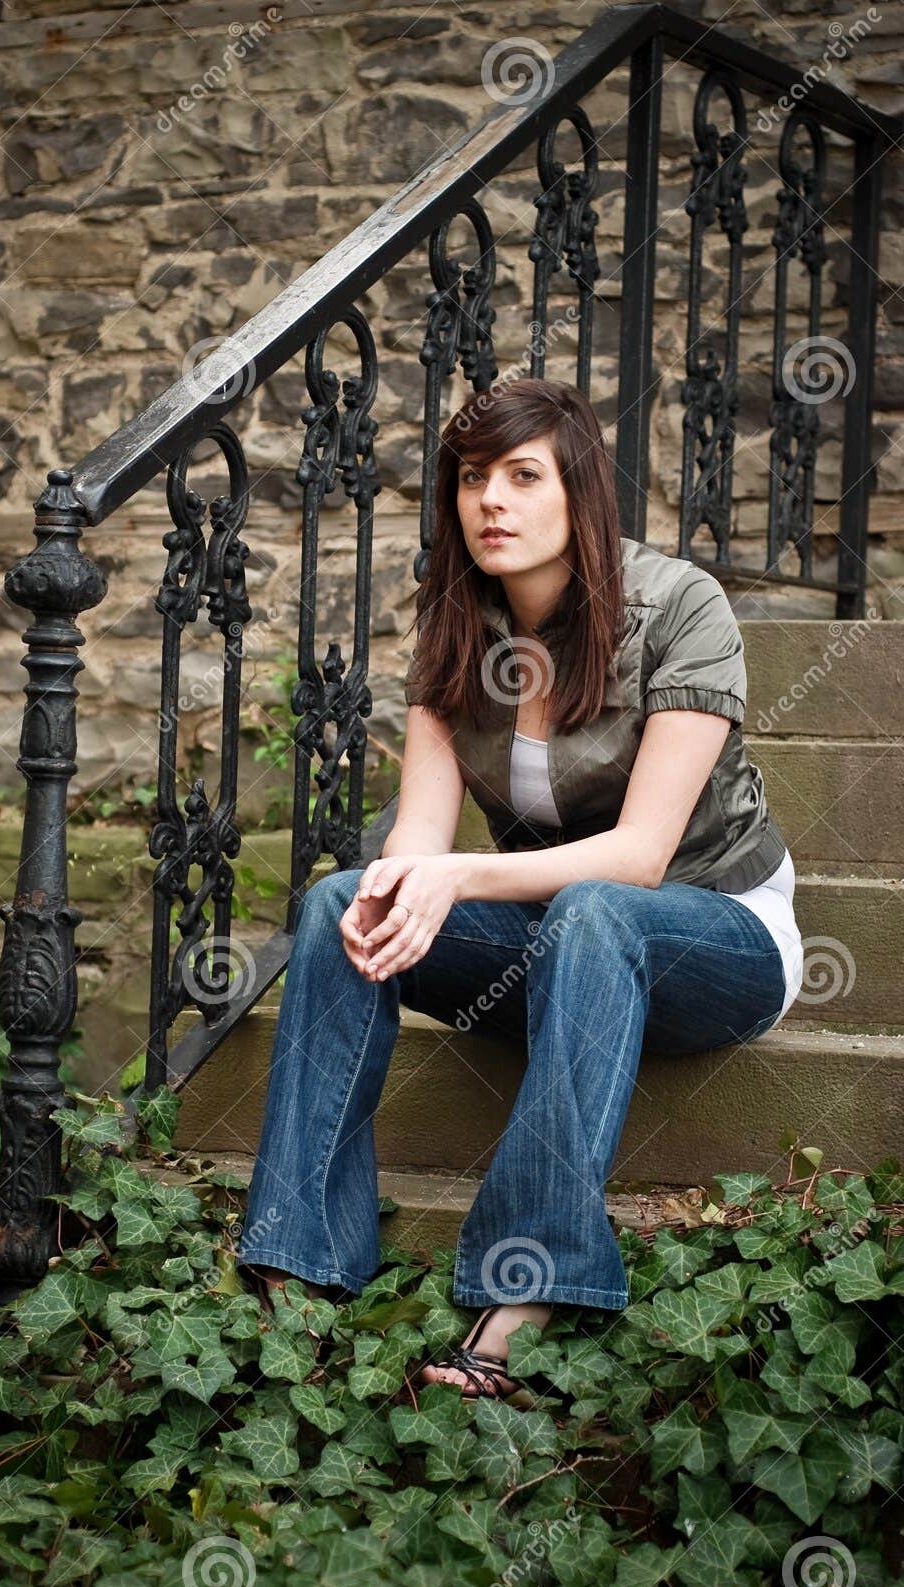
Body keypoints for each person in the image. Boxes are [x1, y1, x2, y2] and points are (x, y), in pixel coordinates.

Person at [235, 376, 804, 1407]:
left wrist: (458, 876)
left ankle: (523, 1290)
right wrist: (402, 885)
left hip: (718, 934)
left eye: (522, 475)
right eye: (470, 478)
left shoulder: (680, 608)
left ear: (579, 489)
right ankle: (299, 1265)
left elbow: (639, 858)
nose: (490, 499)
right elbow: (419, 839)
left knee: (595, 909)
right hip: (555, 948)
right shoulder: (457, 629)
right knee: (339, 901)